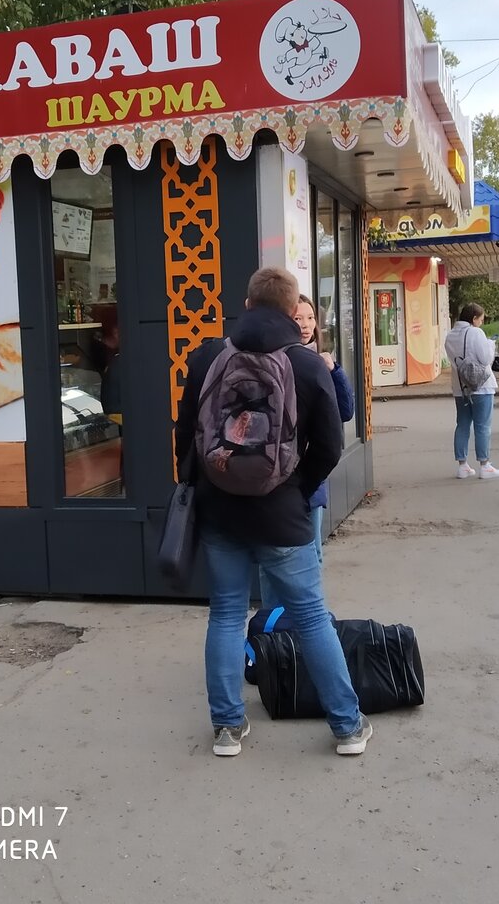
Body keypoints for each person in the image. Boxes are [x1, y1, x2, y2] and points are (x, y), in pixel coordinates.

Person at [174, 267, 370, 758]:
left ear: (247, 303)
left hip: (220, 510)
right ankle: (347, 727)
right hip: (283, 514)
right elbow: (330, 444)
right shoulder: (305, 364)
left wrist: (201, 485)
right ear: (291, 310)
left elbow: (185, 433)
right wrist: (297, 489)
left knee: (226, 613)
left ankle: (227, 727)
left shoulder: (207, 357)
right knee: (311, 617)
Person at [259, 295, 354, 608]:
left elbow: (345, 411)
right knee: (273, 561)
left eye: (310, 318)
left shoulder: (320, 362)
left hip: (308, 483)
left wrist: (334, 370)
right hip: (276, 478)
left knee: (312, 554)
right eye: (298, 318)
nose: (305, 325)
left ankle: (303, 623)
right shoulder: (272, 360)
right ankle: (276, 627)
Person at [444, 303, 499, 480]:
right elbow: (485, 360)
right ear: (474, 318)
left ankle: (462, 466)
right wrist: (490, 345)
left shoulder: (450, 336)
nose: (481, 323)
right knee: (482, 425)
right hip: (481, 386)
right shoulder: (475, 333)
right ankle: (485, 465)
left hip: (460, 387)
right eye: (481, 319)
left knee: (462, 424)